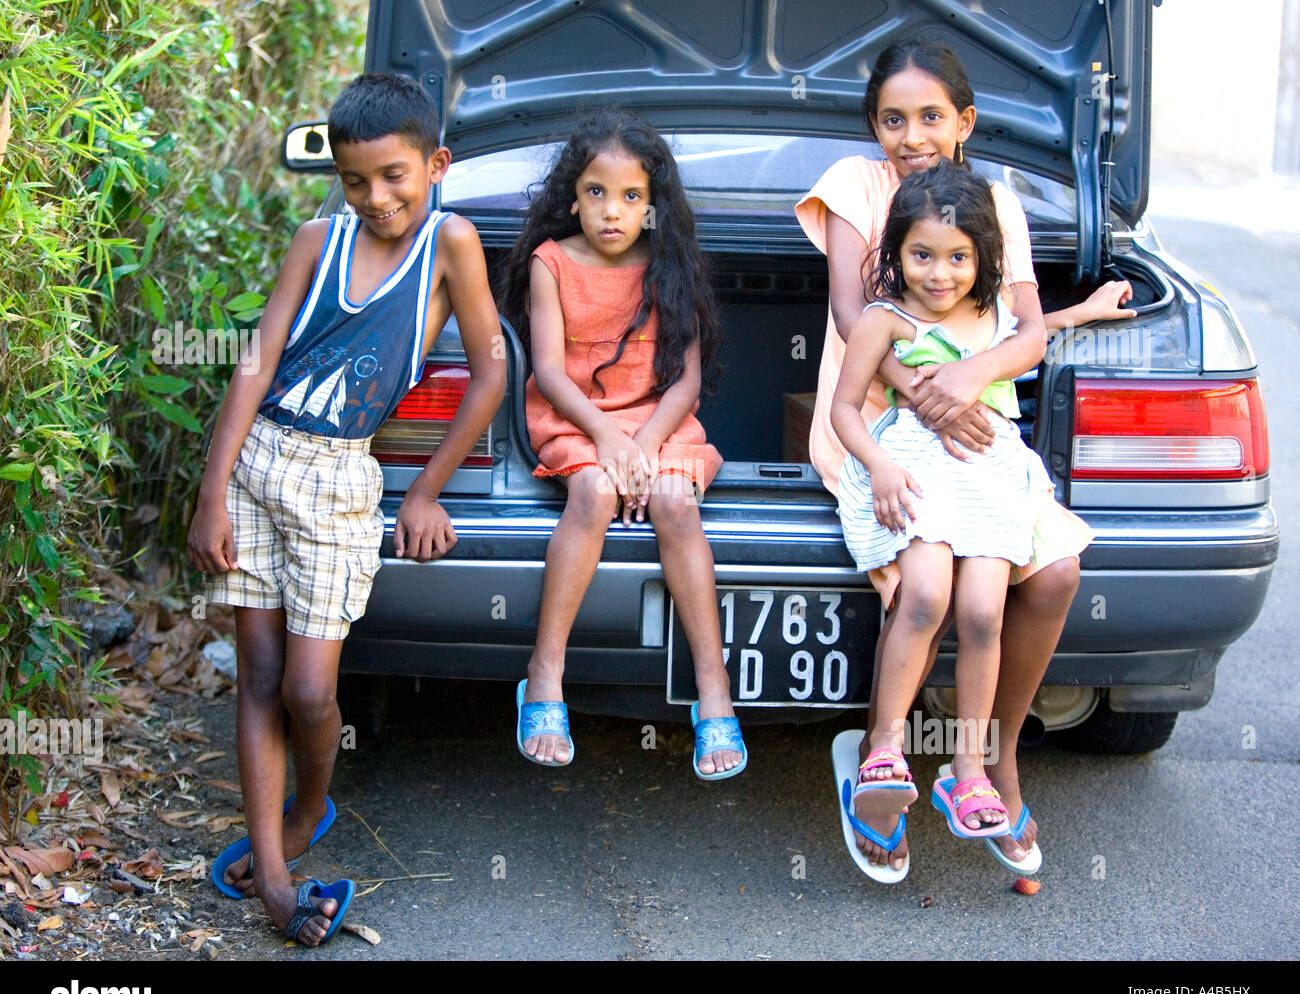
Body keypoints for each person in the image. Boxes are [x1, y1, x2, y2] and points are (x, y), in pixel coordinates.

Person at [188, 72, 506, 944]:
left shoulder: (452, 244)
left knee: (308, 687)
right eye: (357, 180)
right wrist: (212, 493)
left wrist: (427, 486)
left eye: (396, 175)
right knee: (256, 673)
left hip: (338, 483)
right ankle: (278, 883)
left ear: (435, 165)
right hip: (258, 465)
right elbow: (256, 363)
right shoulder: (313, 240)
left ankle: (314, 803)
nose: (377, 198)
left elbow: (490, 372)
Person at [798, 40, 1128, 877]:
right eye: (894, 118)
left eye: (932, 117)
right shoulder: (854, 183)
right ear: (873, 123)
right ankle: (885, 758)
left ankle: (987, 760)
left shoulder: (994, 202)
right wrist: (926, 399)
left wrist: (969, 381)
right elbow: (849, 312)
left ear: (965, 121)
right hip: (881, 432)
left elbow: (1023, 331)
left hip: (984, 444)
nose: (912, 135)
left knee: (1045, 577)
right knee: (926, 590)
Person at [833, 162, 1092, 881]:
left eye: (957, 257)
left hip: (989, 474)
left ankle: (968, 765)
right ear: (895, 254)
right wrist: (880, 468)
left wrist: (1089, 309)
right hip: (914, 470)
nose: (939, 274)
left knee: (983, 612)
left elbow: (1041, 331)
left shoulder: (998, 321)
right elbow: (845, 410)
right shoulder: (885, 320)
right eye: (921, 255)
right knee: (924, 597)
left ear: (983, 257)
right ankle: (883, 744)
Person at [501, 110, 745, 779]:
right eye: (597, 193)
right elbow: (548, 372)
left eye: (632, 196)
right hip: (576, 417)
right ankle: (545, 674)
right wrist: (610, 440)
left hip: (658, 421)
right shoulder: (552, 263)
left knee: (674, 503)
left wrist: (644, 443)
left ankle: (713, 688)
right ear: (572, 196)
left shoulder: (669, 263)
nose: (613, 211)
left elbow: (687, 379)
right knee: (593, 491)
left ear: (653, 204)